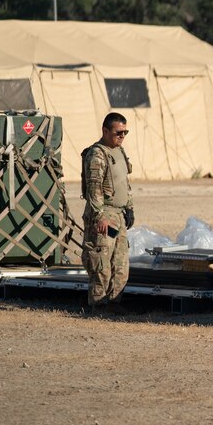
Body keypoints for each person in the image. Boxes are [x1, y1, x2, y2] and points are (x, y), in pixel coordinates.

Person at [81, 112, 134, 316]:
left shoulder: (119, 152)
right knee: (101, 261)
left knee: (120, 263)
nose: (122, 136)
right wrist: (99, 216)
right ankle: (98, 304)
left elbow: (124, 184)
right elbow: (93, 189)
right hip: (105, 215)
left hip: (119, 215)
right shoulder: (97, 154)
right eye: (118, 132)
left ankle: (114, 301)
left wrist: (129, 207)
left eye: (125, 132)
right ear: (105, 131)